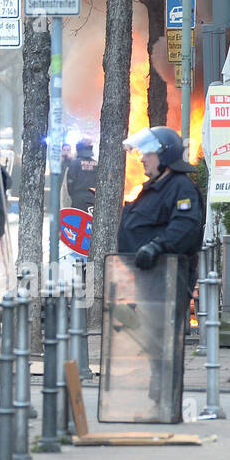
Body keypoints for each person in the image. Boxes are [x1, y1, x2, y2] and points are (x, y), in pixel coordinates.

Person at [117, 126, 205, 419]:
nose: (142, 159)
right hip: (148, 279)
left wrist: (156, 247)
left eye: (148, 153)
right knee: (154, 343)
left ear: (164, 156)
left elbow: (186, 227)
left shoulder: (181, 187)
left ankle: (167, 406)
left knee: (164, 342)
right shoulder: (155, 187)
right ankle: (159, 404)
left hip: (168, 278)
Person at [66, 136, 98, 213]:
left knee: (78, 221)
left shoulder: (75, 163)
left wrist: (72, 194)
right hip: (93, 198)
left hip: (78, 199)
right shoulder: (96, 164)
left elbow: (70, 182)